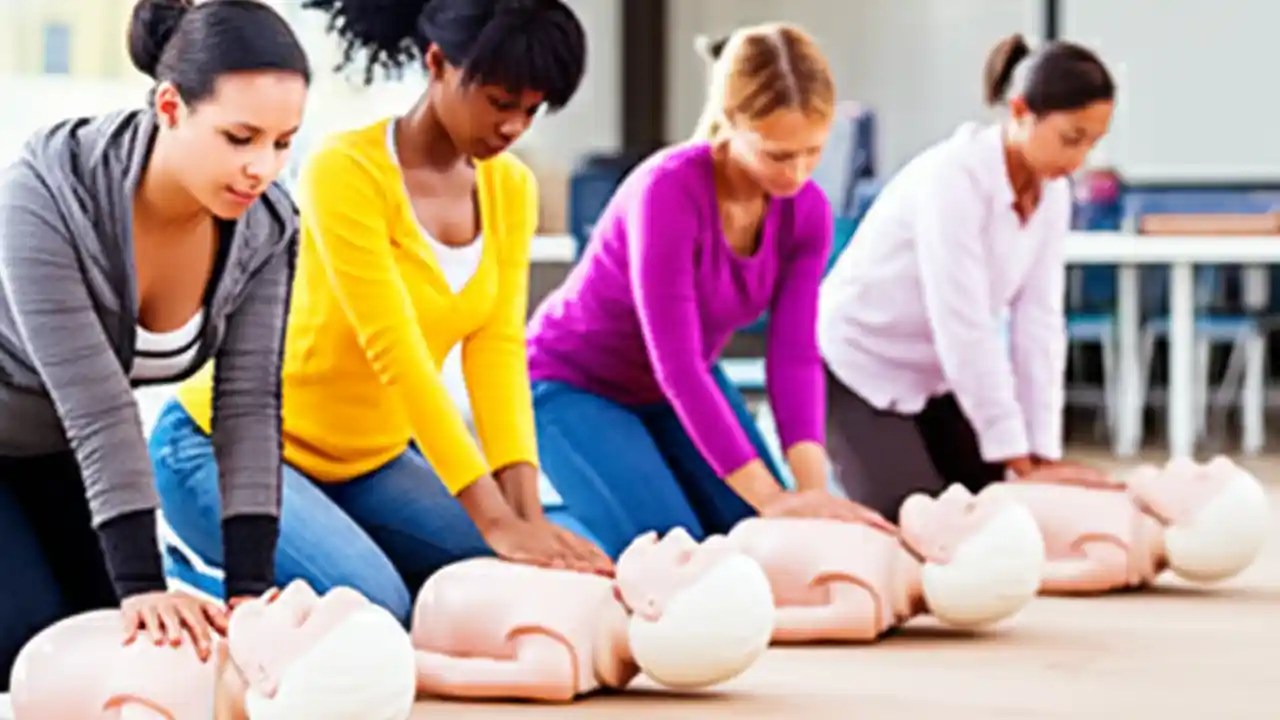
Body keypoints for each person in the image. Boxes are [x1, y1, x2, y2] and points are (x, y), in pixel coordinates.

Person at [150, 0, 611, 627]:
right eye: (500, 102)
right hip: (223, 448)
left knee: (530, 571)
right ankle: (204, 578)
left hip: (369, 462)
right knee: (380, 606)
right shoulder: (347, 170)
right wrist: (494, 519)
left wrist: (523, 519)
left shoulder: (511, 190)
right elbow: (395, 353)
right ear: (439, 64)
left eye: (531, 110)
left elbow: (498, 352)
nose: (513, 128)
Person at [0, 0, 310, 690]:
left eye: (283, 142)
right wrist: (141, 579)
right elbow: (98, 403)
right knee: (23, 645)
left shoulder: (267, 229)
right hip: (50, 427)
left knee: (109, 634)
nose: (262, 167)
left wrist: (248, 588)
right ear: (170, 106)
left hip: (57, 454)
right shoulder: (48, 190)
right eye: (240, 137)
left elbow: (249, 404)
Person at [526, 24, 892, 561]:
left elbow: (793, 358)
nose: (797, 173)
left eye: (812, 151)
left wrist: (810, 498)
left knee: (763, 542)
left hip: (676, 388)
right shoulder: (667, 191)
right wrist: (771, 497)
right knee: (684, 554)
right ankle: (554, 523)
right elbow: (676, 364)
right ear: (731, 122)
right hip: (573, 384)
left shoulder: (806, 212)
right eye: (776, 154)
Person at [816, 34, 1117, 520]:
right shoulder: (952, 178)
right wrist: (1014, 454)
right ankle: (839, 463)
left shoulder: (1053, 194)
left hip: (935, 379)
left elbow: (1038, 324)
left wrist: (1041, 452)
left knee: (994, 511)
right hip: (856, 365)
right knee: (926, 524)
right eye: (1071, 138)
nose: (1079, 160)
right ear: (1020, 112)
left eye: (1093, 142)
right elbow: (965, 324)